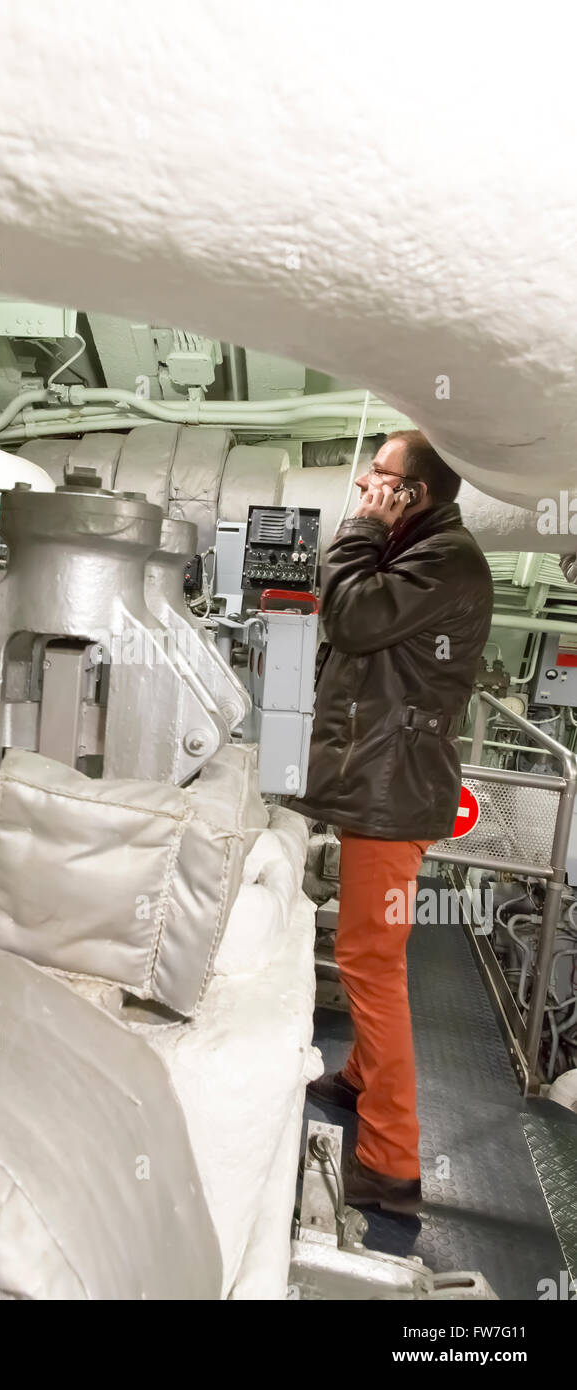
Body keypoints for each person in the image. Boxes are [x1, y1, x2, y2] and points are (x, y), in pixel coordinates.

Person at [292, 429, 493, 1214]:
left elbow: (354, 621)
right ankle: (360, 1080)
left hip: (393, 789)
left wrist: (361, 531)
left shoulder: (445, 559)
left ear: (413, 492)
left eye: (380, 477)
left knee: (373, 967)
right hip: (381, 782)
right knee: (370, 955)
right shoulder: (420, 549)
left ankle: (390, 1161)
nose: (366, 486)